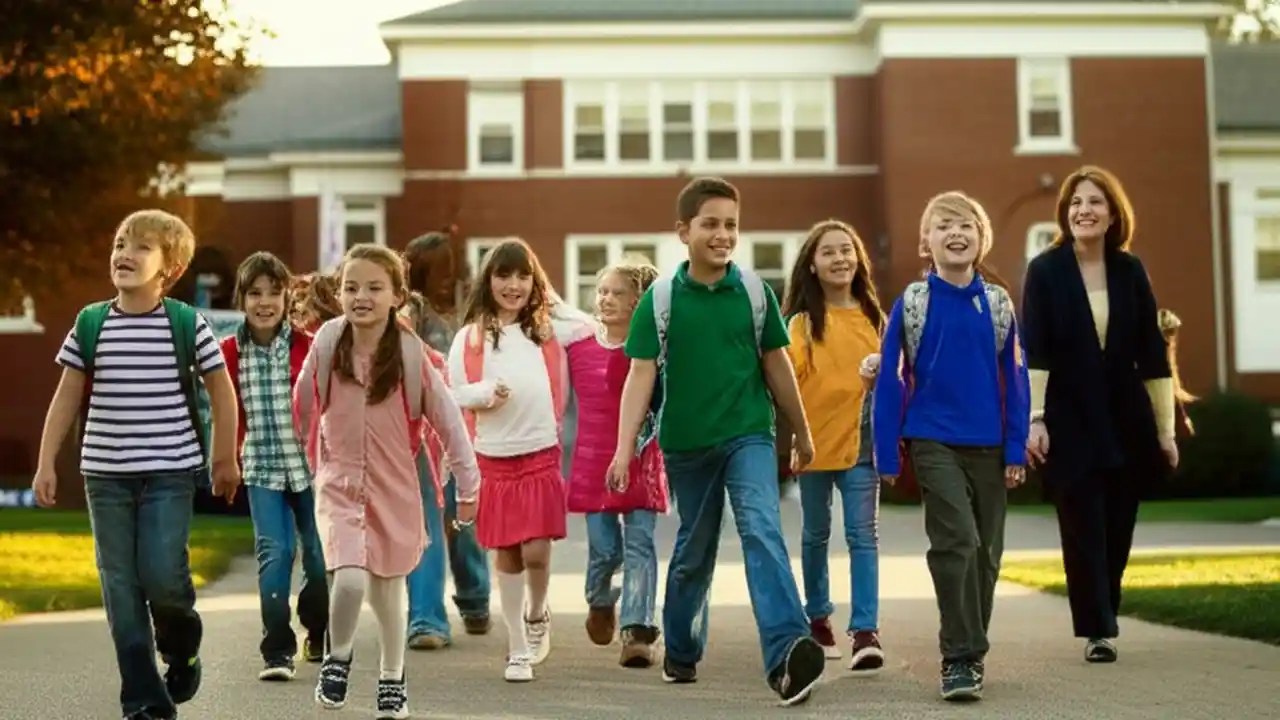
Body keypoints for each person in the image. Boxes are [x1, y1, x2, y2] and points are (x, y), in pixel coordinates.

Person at [609, 176, 826, 706]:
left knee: (761, 529)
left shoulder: (754, 292)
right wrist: (623, 450)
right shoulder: (659, 300)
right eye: (710, 224)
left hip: (748, 434)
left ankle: (786, 652)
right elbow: (640, 376)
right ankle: (680, 649)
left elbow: (776, 362)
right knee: (694, 552)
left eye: (731, 224)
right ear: (683, 231)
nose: (723, 234)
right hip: (687, 444)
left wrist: (800, 428)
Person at [31, 209, 241, 720]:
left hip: (169, 473)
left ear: (169, 268)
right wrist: (46, 463)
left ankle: (181, 644)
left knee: (162, 575)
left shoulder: (188, 324)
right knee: (120, 585)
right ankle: (144, 697)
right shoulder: (90, 323)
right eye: (120, 242)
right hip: (104, 476)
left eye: (141, 247)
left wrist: (224, 456)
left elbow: (221, 391)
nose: (124, 253)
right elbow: (65, 399)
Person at [294, 244, 480, 719]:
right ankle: (338, 659)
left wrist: (469, 485)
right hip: (339, 482)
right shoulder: (328, 342)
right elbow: (304, 400)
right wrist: (309, 449)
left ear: (398, 295)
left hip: (395, 488)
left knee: (389, 591)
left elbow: (450, 422)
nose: (362, 297)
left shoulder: (413, 355)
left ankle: (392, 679)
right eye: (351, 287)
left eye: (375, 288)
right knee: (351, 579)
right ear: (338, 294)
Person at [872, 190, 1030, 702]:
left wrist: (1014, 448)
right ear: (926, 242)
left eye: (966, 224)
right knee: (956, 540)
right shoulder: (913, 304)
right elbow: (893, 378)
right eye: (943, 225)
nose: (955, 233)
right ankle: (958, 657)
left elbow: (1017, 380)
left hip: (988, 443)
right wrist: (886, 449)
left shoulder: (1000, 305)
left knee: (986, 554)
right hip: (932, 438)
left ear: (982, 238)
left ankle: (972, 650)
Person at [1021, 166, 1178, 664]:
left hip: (1126, 417)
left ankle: (1106, 608)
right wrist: (1036, 418)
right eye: (1074, 203)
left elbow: (1153, 355)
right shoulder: (1045, 271)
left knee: (1117, 524)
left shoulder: (1130, 270)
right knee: (1082, 522)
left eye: (1093, 202)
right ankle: (1098, 629)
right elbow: (1036, 350)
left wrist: (1166, 430)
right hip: (1068, 417)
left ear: (1113, 214)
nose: (1083, 210)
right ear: (1066, 215)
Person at [447, 238, 596, 682]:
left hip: (540, 454)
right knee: (508, 554)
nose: (513, 285)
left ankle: (536, 614)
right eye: (504, 275)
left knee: (536, 552)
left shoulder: (547, 329)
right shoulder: (470, 337)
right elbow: (455, 392)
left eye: (523, 276)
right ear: (487, 281)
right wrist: (486, 394)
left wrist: (551, 298)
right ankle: (516, 646)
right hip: (494, 458)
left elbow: (591, 327)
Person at [780, 219, 886, 671]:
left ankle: (865, 631)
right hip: (814, 445)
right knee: (816, 534)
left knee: (863, 536)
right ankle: (818, 618)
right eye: (829, 252)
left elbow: (899, 381)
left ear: (859, 260)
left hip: (861, 445)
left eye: (847, 249)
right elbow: (787, 388)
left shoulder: (876, 319)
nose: (840, 258)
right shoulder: (802, 325)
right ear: (813, 266)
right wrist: (794, 441)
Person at [219, 252, 328, 680]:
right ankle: (277, 649)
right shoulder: (229, 351)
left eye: (273, 293)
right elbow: (225, 413)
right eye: (254, 293)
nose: (264, 302)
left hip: (310, 469)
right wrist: (224, 459)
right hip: (262, 468)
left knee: (319, 559)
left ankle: (316, 630)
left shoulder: (308, 344)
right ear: (241, 299)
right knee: (276, 553)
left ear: (287, 297)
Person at [565, 259, 669, 668]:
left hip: (642, 459)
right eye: (601, 290)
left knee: (641, 543)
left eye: (617, 292)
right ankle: (600, 599)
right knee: (605, 549)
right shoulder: (578, 349)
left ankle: (638, 630)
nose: (605, 298)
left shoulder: (654, 351)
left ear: (638, 301)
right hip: (593, 464)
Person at [402, 232, 492, 649]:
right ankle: (426, 618)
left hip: (468, 430)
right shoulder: (412, 311)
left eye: (449, 270)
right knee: (425, 524)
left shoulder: (471, 309)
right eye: (435, 271)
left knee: (465, 520)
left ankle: (474, 598)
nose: (444, 279)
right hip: (422, 435)